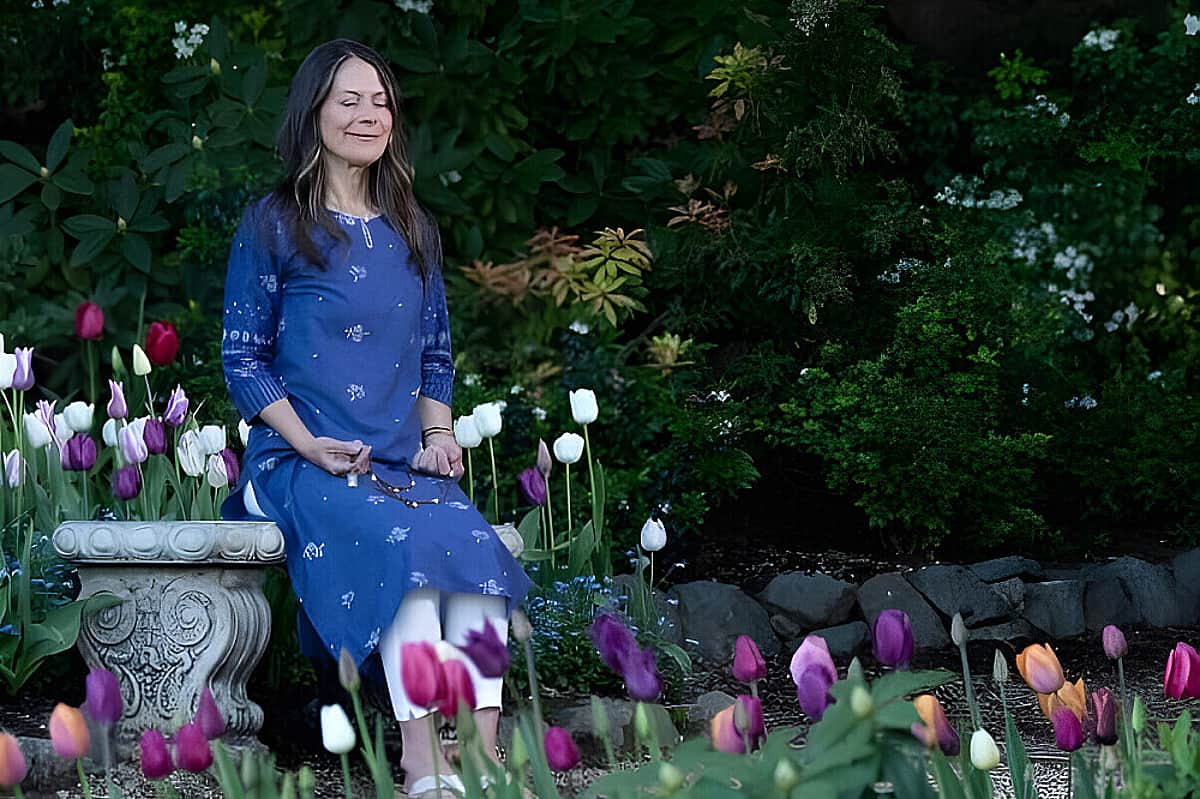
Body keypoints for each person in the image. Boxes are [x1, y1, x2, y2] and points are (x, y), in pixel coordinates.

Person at [220, 39, 532, 799]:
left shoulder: (411, 226)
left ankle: (482, 763)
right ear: (313, 113)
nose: (369, 113)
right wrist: (308, 445)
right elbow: (244, 360)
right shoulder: (273, 223)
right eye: (348, 99)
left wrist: (438, 436)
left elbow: (434, 356)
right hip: (295, 461)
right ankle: (426, 767)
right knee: (413, 542)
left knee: (469, 540)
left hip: (395, 462)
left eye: (381, 100)